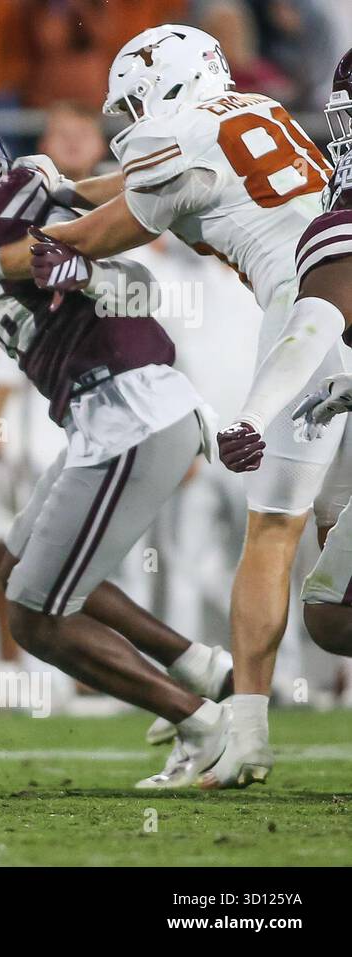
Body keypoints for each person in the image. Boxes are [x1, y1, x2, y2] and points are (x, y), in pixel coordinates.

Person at [0, 23, 334, 788]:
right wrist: (71, 185)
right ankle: (212, 683)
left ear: (160, 86)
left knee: (273, 531)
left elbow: (86, 242)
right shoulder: (259, 112)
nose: (128, 122)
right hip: (340, 293)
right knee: (337, 548)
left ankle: (241, 732)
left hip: (303, 320)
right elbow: (153, 190)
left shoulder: (176, 130)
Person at [0, 114, 232, 787]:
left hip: (129, 410)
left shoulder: (8, 199)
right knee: (23, 563)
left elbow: (75, 245)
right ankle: (198, 665)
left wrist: (35, 217)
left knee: (36, 615)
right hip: (103, 416)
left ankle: (200, 720)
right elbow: (109, 273)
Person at [219, 47, 352, 673]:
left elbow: (313, 324)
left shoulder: (337, 224)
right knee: (333, 609)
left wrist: (253, 415)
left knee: (330, 610)